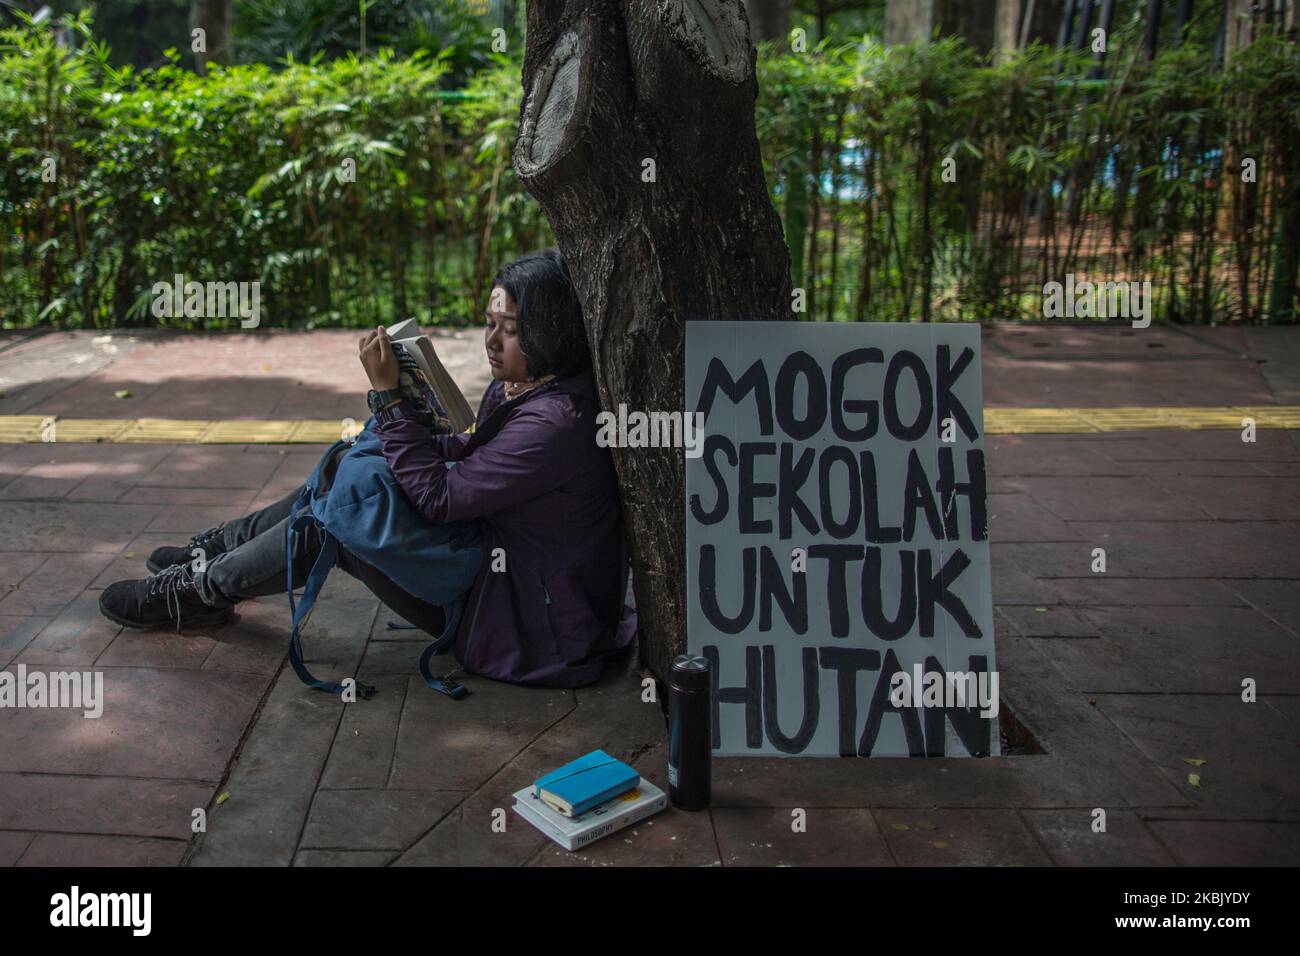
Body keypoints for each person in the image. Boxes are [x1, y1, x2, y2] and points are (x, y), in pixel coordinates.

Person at [98, 249, 636, 689]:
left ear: (551, 330)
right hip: (493, 565)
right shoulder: (525, 384)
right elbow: (475, 461)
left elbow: (441, 498)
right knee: (342, 472)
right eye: (489, 323)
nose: (492, 342)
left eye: (512, 329)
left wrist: (389, 400)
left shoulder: (557, 423)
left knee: (337, 524)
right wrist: (415, 416)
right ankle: (218, 549)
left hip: (519, 623)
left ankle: (200, 592)